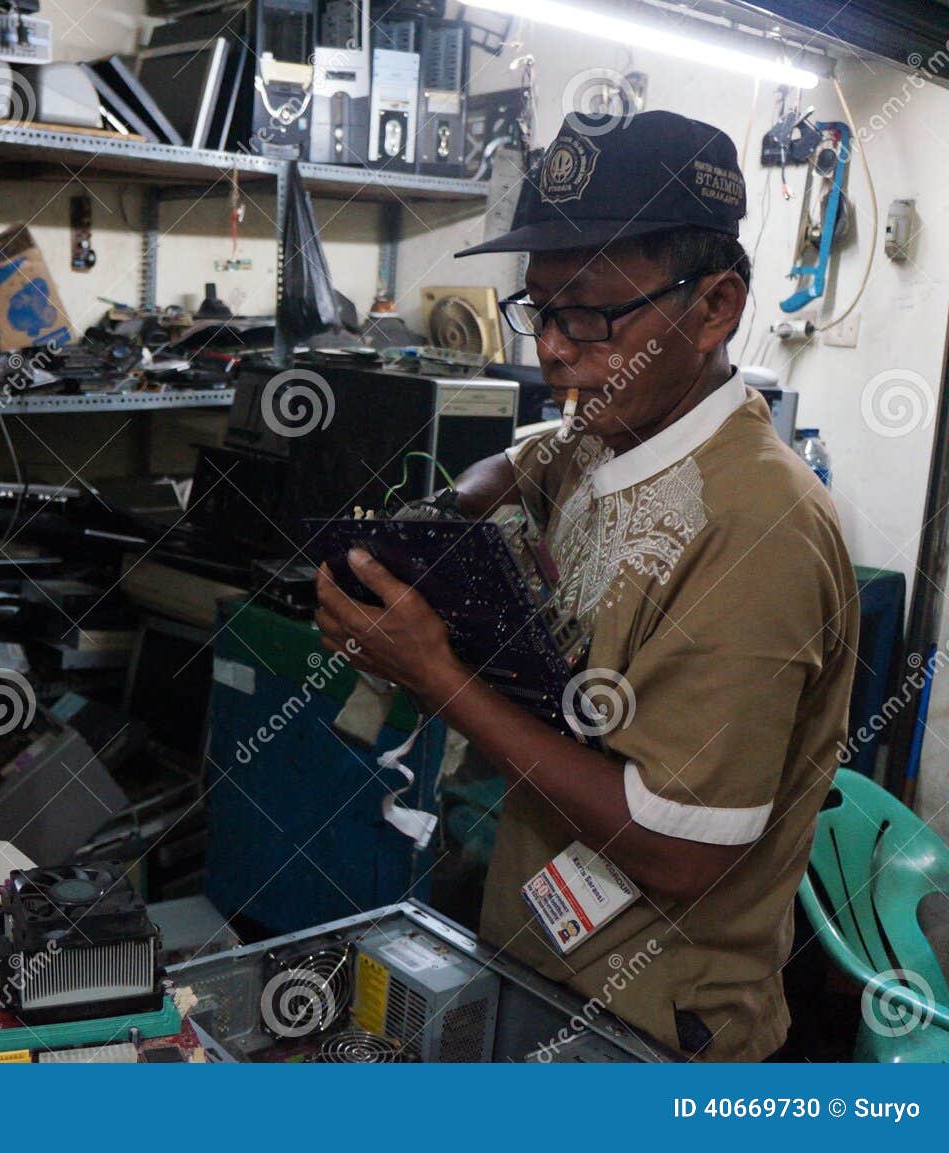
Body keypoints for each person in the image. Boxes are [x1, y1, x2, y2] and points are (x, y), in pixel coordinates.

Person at [314, 110, 857, 1061]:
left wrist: (434, 673)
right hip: (530, 970)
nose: (554, 350)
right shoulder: (605, 433)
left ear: (717, 307)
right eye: (539, 310)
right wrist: (440, 525)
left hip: (650, 1034)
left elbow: (681, 849)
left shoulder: (762, 529)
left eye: (592, 315)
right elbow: (528, 464)